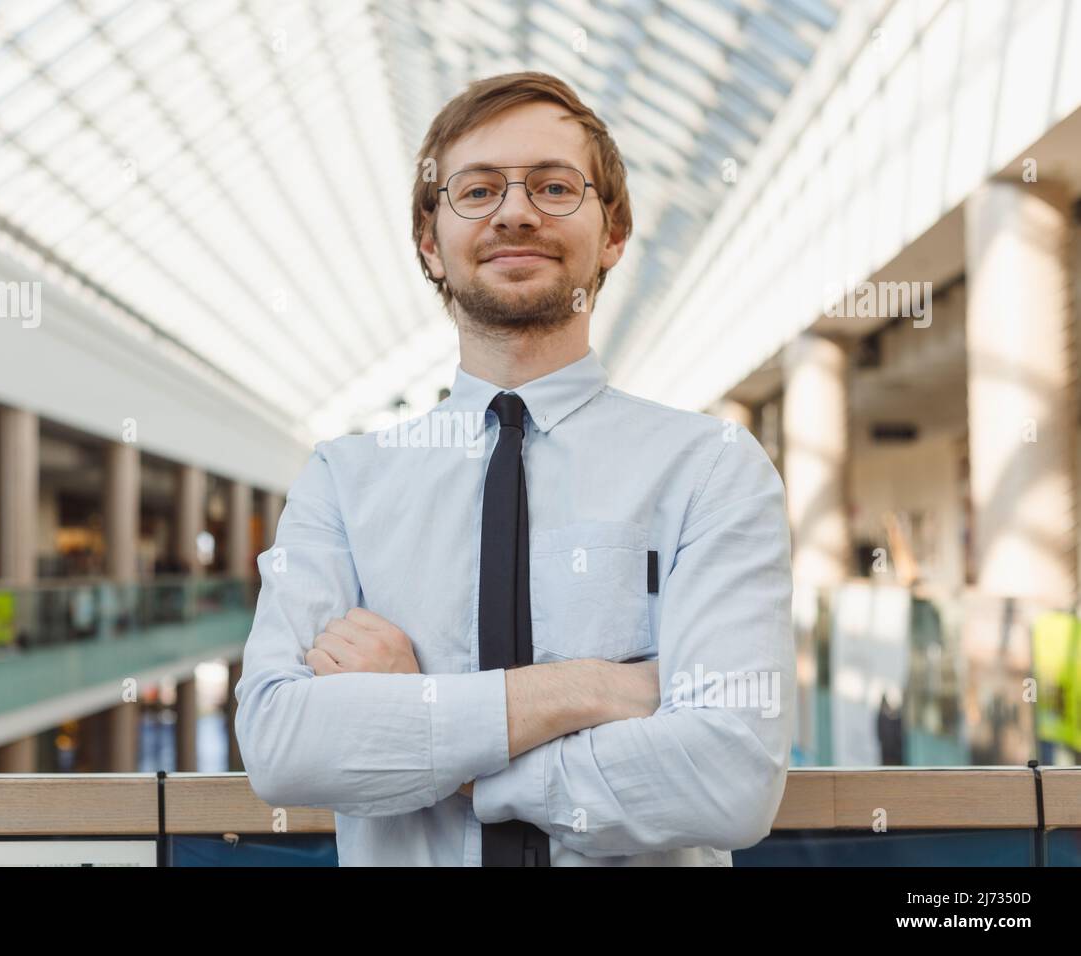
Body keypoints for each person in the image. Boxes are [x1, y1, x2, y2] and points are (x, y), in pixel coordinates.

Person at [235, 72, 794, 866]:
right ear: (432, 242)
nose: (516, 211)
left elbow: (728, 780)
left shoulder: (711, 468)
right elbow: (282, 746)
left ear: (613, 235)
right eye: (477, 189)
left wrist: (432, 733)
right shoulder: (341, 480)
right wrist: (593, 689)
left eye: (556, 186)